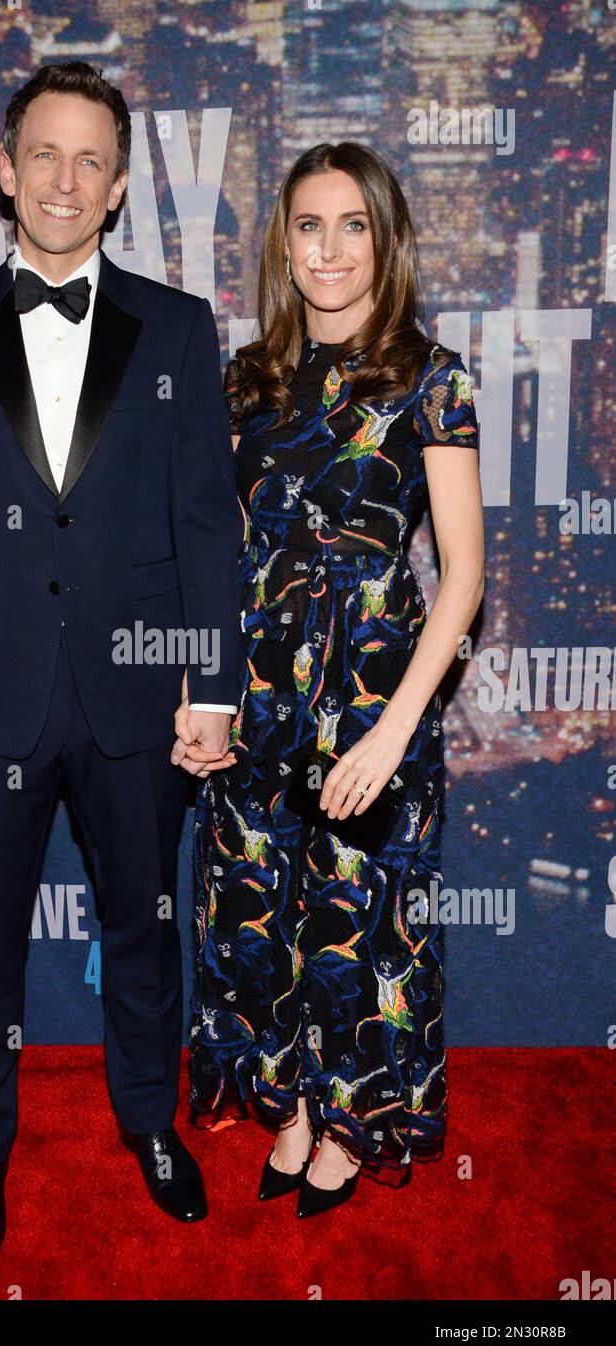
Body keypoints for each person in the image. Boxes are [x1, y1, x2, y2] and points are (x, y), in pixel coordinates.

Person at [0, 61, 242, 1269]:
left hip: (139, 693)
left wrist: (216, 683)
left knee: (144, 933)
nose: (65, 179)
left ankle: (151, 1124)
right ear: (4, 166)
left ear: (122, 184)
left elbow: (206, 525)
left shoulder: (182, 329)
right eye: (46, 152)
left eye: (92, 159)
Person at [181, 141, 484, 1217]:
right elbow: (214, 558)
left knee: (359, 921)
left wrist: (396, 733)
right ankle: (296, 1106)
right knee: (262, 921)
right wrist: (201, 696)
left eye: (353, 224)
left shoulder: (430, 378)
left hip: (369, 703)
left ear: (386, 240)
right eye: (309, 226)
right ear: (284, 243)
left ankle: (355, 1122)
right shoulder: (250, 379)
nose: (329, 249)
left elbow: (461, 580)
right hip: (260, 697)